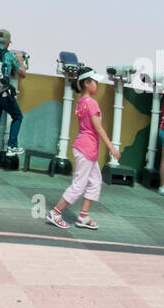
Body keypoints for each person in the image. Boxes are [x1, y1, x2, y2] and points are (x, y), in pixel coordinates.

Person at [46, 68, 121, 229]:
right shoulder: (92, 103)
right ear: (87, 84)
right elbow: (98, 128)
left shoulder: (81, 102)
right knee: (79, 184)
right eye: (95, 81)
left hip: (86, 149)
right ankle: (56, 212)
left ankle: (83, 217)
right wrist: (112, 149)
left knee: (95, 181)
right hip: (86, 149)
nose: (97, 84)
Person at [0, 28, 27, 175]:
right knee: (18, 116)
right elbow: (22, 74)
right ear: (7, 43)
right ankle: (12, 146)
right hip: (5, 95)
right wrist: (19, 58)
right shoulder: (9, 55)